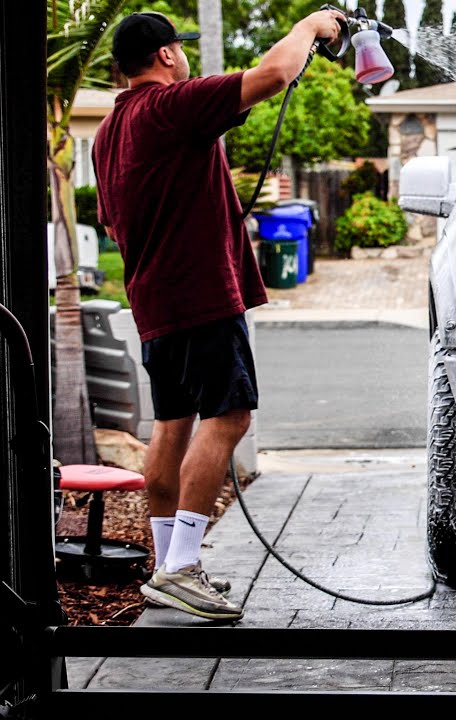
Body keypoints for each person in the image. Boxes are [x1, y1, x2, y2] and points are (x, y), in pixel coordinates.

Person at [92, 9, 344, 621]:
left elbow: (111, 217)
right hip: (201, 295)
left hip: (154, 298)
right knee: (228, 417)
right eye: (176, 47)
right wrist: (312, 25)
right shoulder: (171, 106)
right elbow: (275, 72)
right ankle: (181, 568)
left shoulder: (108, 132)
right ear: (167, 55)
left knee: (173, 425)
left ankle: (165, 567)